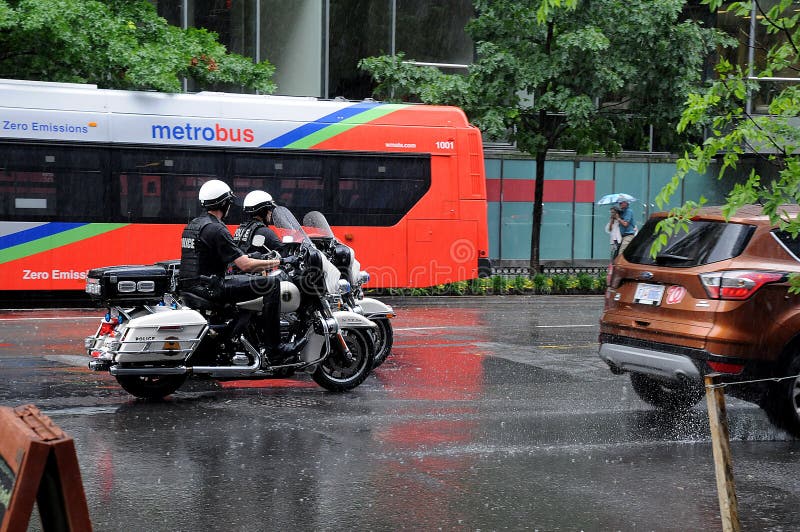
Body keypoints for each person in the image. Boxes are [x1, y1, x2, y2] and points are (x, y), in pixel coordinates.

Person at [178, 179, 304, 365]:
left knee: (244, 281)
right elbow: (245, 265)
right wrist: (281, 261)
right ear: (224, 203)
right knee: (270, 285)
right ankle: (275, 348)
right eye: (229, 202)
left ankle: (241, 331)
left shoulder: (194, 225)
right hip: (212, 287)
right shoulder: (216, 228)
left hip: (193, 285)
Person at [233, 190, 283, 256]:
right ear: (263, 210)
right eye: (269, 208)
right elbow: (283, 251)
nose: (271, 212)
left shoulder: (241, 229)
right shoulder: (264, 232)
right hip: (257, 266)